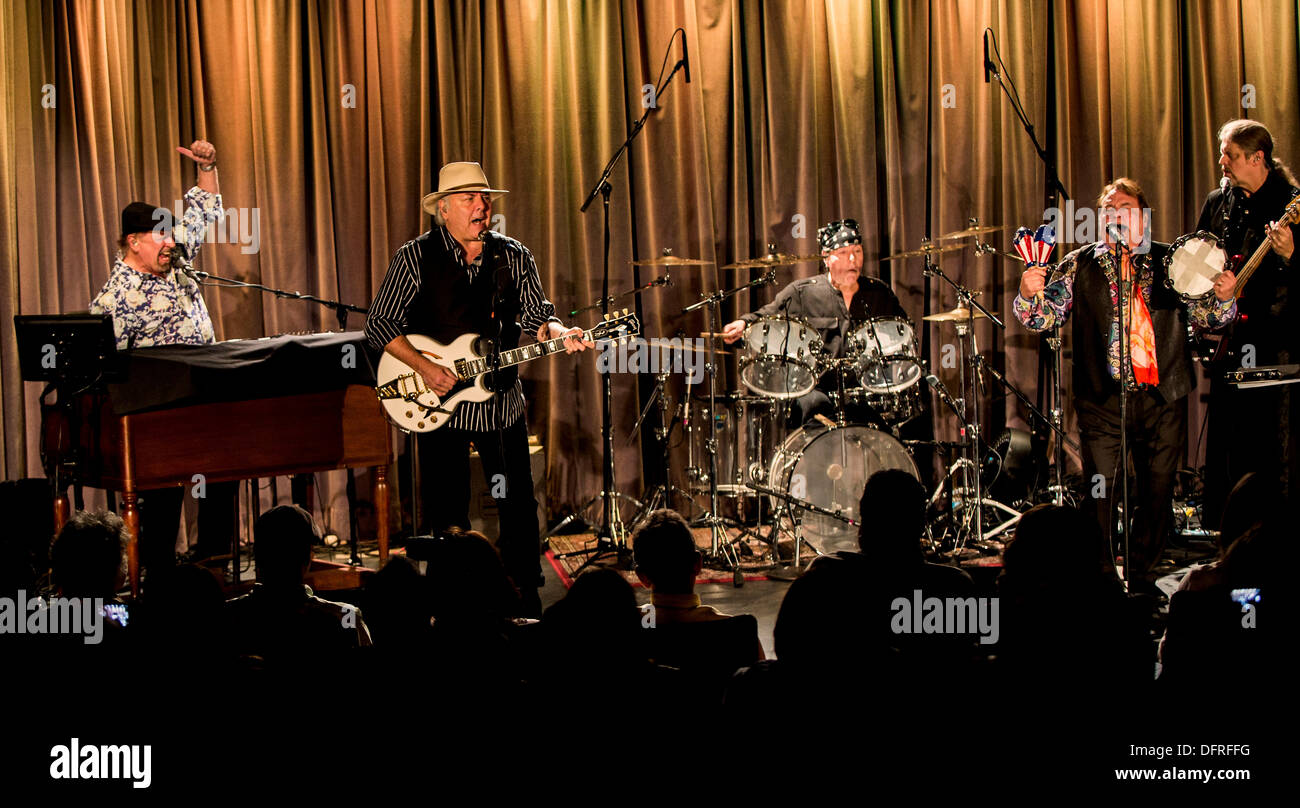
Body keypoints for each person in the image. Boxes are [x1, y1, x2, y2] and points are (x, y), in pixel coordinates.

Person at [364, 162, 592, 617]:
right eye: (469, 198)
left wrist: (557, 330)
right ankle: (451, 607)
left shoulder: (513, 256)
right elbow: (379, 323)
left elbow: (537, 315)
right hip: (439, 406)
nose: (481, 207)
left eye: (484, 199)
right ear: (443, 209)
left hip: (501, 404)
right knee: (447, 514)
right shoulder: (415, 257)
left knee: (518, 509)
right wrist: (424, 368)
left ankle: (523, 600)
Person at [1014, 178, 1237, 593]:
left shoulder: (1172, 260)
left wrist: (1223, 297)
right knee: (1100, 493)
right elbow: (1041, 318)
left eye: (1126, 207)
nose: (1116, 213)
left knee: (1157, 493)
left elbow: (1210, 318)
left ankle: (1142, 576)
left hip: (1163, 395)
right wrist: (1029, 294)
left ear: (1143, 216)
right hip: (1101, 399)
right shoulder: (1079, 264)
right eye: (1109, 208)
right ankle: (1100, 579)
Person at [88, 141, 239, 573]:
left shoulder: (176, 260)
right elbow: (106, 368)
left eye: (173, 234)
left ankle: (214, 562)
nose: (172, 241)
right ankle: (157, 575)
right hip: (158, 412)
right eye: (162, 235)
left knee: (220, 476)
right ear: (134, 242)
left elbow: (205, 211)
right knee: (164, 493)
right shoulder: (114, 299)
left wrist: (208, 166)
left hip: (205, 393)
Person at [1196, 120, 1300, 525]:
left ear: (1258, 159)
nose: (1222, 162)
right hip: (1231, 345)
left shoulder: (1290, 203)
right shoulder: (1218, 202)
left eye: (1231, 155)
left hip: (1279, 347)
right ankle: (1232, 538)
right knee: (1231, 445)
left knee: (1273, 448)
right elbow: (1197, 262)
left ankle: (1279, 538)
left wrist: (1291, 255)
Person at [721, 218, 910, 427]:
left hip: (865, 390)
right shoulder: (803, 293)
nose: (853, 260)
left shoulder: (879, 293)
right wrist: (743, 324)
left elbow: (904, 332)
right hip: (819, 390)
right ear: (827, 258)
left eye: (857, 251)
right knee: (811, 405)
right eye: (843, 253)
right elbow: (767, 315)